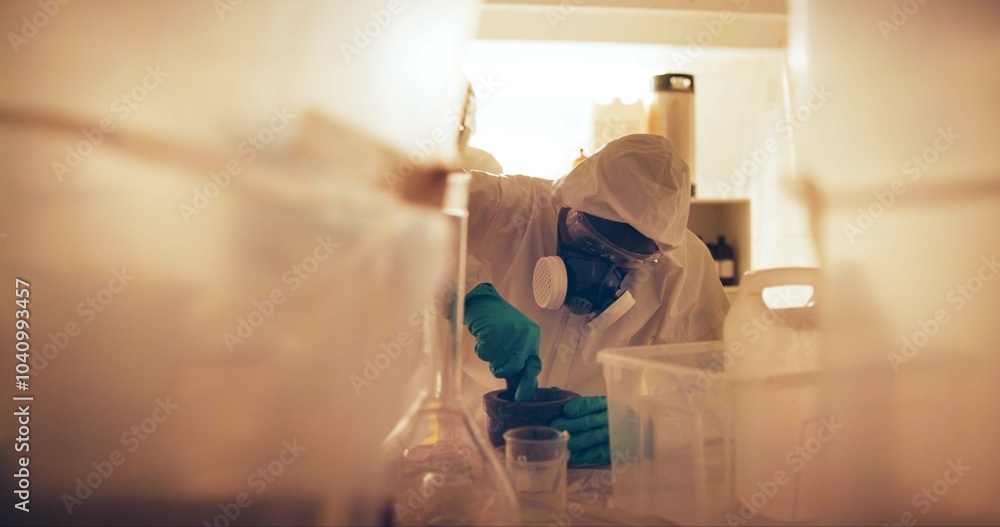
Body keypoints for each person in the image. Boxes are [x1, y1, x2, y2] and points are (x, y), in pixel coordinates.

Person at [0, 1, 480, 524]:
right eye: (448, 128)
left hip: (315, 394)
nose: (451, 150)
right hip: (245, 373)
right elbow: (292, 149)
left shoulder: (406, 204)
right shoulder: (298, 146)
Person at [461, 134, 730, 464]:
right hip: (469, 455)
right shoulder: (507, 207)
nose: (600, 270)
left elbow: (719, 391)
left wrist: (649, 426)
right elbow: (393, 207)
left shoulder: (685, 268)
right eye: (589, 242)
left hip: (594, 471)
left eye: (626, 259)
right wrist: (470, 293)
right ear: (569, 203)